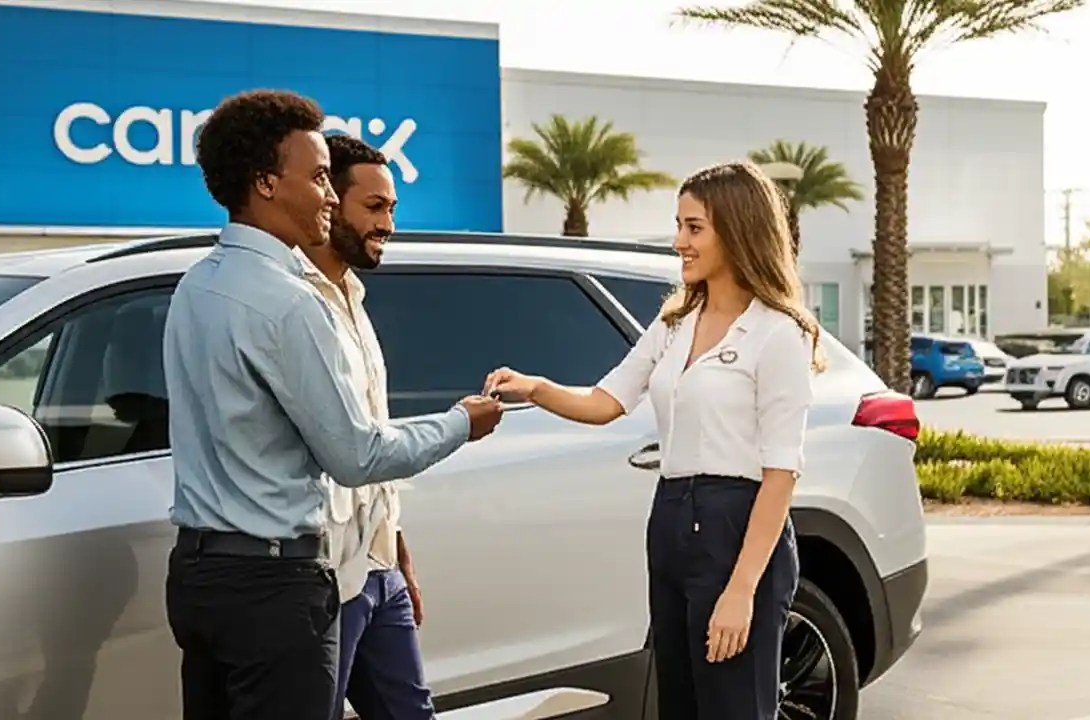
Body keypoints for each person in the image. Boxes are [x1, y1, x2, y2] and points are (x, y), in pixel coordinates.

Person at [162, 89, 504, 720]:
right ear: (266, 183)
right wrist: (463, 423)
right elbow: (357, 455)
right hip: (275, 585)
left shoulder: (196, 285)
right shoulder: (291, 303)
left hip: (200, 577)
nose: (327, 193)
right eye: (319, 176)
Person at [483, 160, 823, 720]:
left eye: (694, 228)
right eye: (679, 226)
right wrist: (536, 388)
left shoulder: (777, 333)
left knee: (735, 707)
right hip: (670, 522)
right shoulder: (674, 323)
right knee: (679, 705)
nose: (679, 242)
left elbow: (781, 474)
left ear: (737, 230)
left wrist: (742, 590)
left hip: (735, 527)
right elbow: (606, 401)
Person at [292, 132, 437, 720]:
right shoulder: (292, 303)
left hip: (379, 567)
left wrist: (399, 554)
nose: (388, 225)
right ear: (328, 200)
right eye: (374, 207)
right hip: (327, 575)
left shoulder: (353, 297)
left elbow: (373, 433)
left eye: (391, 208)